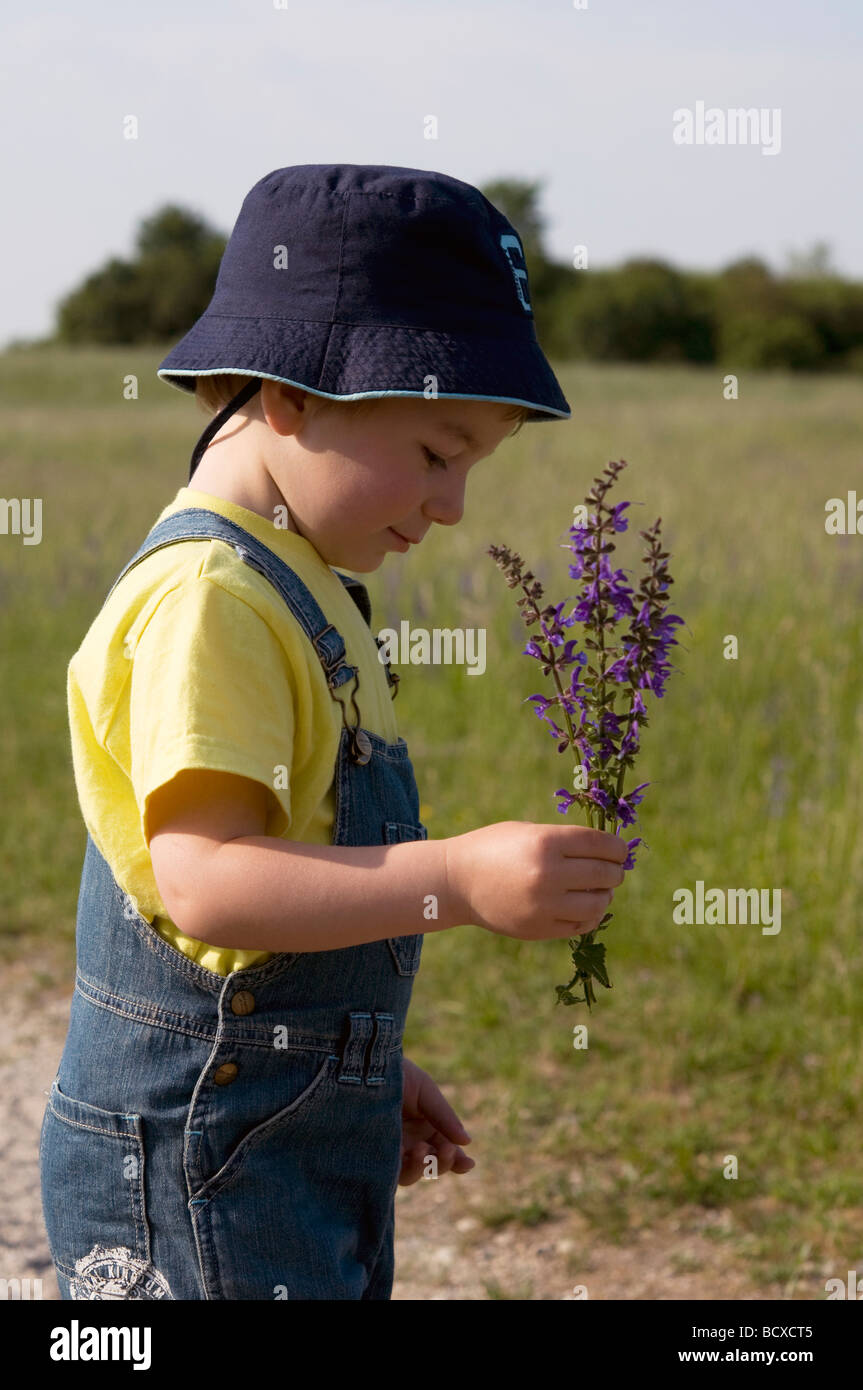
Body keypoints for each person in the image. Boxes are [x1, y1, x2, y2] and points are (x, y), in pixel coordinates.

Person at [39, 163, 627, 1301]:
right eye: (435, 452)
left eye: (472, 464)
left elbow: (253, 937)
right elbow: (206, 883)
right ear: (294, 396)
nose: (453, 504)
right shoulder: (210, 594)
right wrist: (452, 878)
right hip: (192, 1174)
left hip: (266, 1135)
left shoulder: (297, 579)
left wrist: (349, 1065)